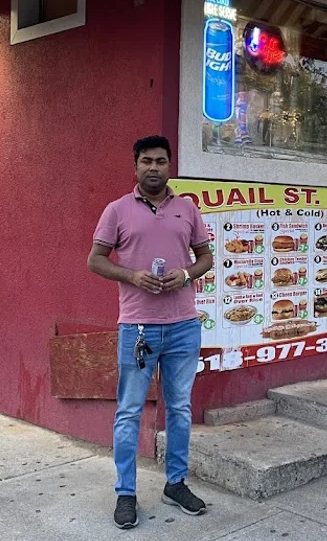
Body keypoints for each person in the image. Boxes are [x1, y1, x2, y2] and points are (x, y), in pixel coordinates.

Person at [88, 135, 213, 530]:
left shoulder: (187, 209)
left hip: (183, 326)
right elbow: (95, 260)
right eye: (146, 161)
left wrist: (186, 274)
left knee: (179, 409)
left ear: (170, 165)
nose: (154, 167)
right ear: (136, 166)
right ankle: (126, 492)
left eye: (160, 161)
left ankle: (175, 484)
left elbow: (206, 257)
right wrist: (132, 276)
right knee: (129, 411)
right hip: (138, 328)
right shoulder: (117, 210)